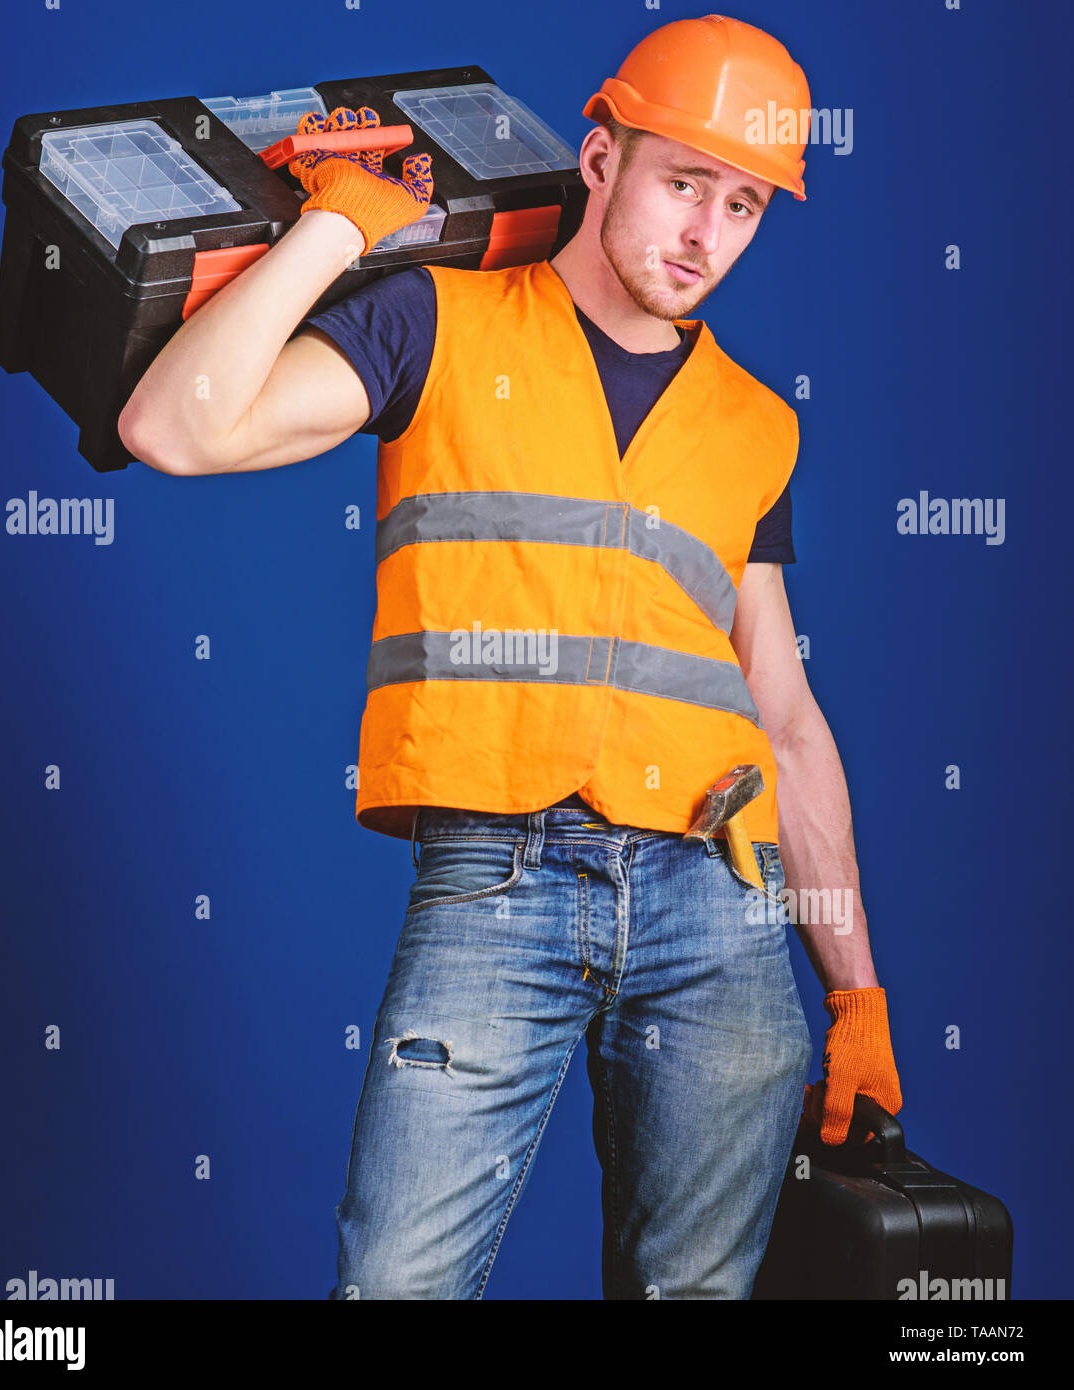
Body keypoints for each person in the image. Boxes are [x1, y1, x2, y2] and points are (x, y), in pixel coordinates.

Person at [118, 14, 903, 1300]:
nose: (708, 234)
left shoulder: (758, 427)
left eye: (746, 203)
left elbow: (789, 720)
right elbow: (175, 427)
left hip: (721, 898)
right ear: (599, 161)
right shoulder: (434, 320)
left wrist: (855, 986)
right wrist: (337, 228)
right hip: (501, 882)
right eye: (683, 183)